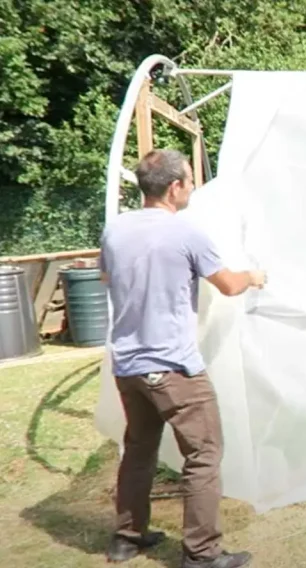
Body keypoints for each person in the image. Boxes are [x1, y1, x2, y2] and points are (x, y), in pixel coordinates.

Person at [99, 149, 265, 568]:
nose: (193, 187)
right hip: (173, 367)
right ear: (174, 187)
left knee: (139, 449)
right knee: (204, 454)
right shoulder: (186, 233)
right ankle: (202, 554)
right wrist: (253, 275)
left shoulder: (115, 230)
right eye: (190, 180)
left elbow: (106, 277)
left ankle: (126, 538)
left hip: (129, 366)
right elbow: (228, 285)